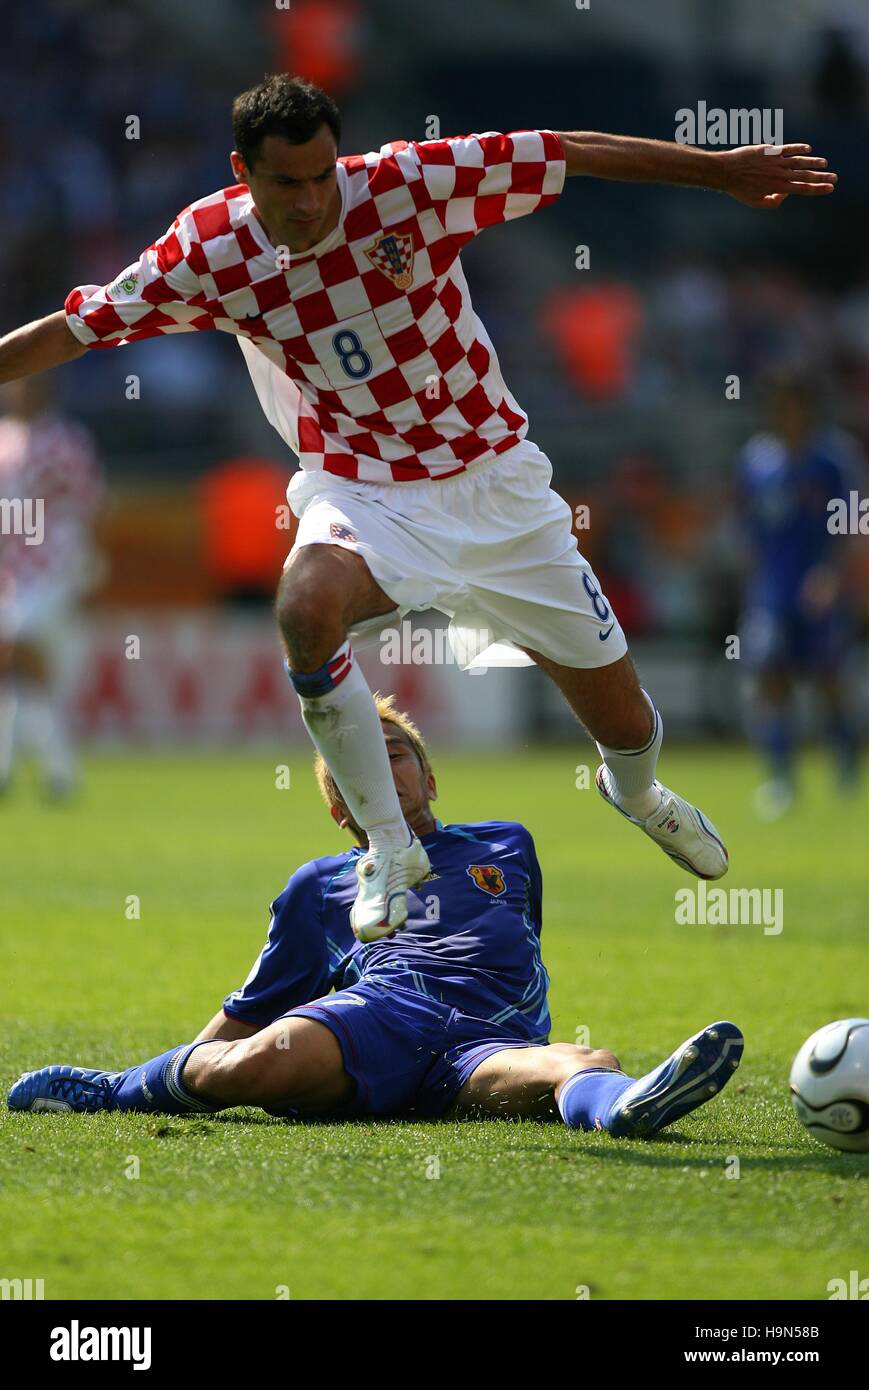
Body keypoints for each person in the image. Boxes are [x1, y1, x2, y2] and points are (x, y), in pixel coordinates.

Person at [0, 74, 837, 932]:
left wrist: (720, 171)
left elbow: (564, 149)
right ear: (241, 172)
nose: (312, 197)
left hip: (494, 484)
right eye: (287, 181)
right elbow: (76, 325)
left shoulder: (407, 183)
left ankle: (635, 791)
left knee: (623, 723)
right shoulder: (208, 251)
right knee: (306, 604)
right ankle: (389, 846)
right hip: (362, 488)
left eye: (323, 173)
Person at [8, 695, 744, 1136]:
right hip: (382, 1015)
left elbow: (518, 942)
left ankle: (623, 1109)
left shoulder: (504, 844)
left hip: (484, 1044)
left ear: (428, 776)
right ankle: (112, 1088)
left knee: (577, 1062)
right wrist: (180, 1072)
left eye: (394, 755)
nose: (381, 774)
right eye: (358, 769)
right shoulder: (319, 886)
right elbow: (250, 1008)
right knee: (257, 1061)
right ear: (339, 809)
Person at [736, 373, 863, 819]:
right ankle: (782, 777)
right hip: (772, 593)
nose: (790, 414)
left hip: (821, 590)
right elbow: (749, 530)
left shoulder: (834, 459)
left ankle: (847, 763)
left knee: (829, 680)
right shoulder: (756, 461)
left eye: (796, 405)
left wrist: (833, 575)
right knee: (771, 677)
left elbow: (852, 524)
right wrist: (753, 589)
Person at [0, 377, 103, 797]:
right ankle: (53, 771)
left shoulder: (66, 441)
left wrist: (92, 565)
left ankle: (34, 768)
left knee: (22, 656)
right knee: (26, 674)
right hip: (12, 572)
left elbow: (91, 504)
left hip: (58, 565)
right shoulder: (4, 440)